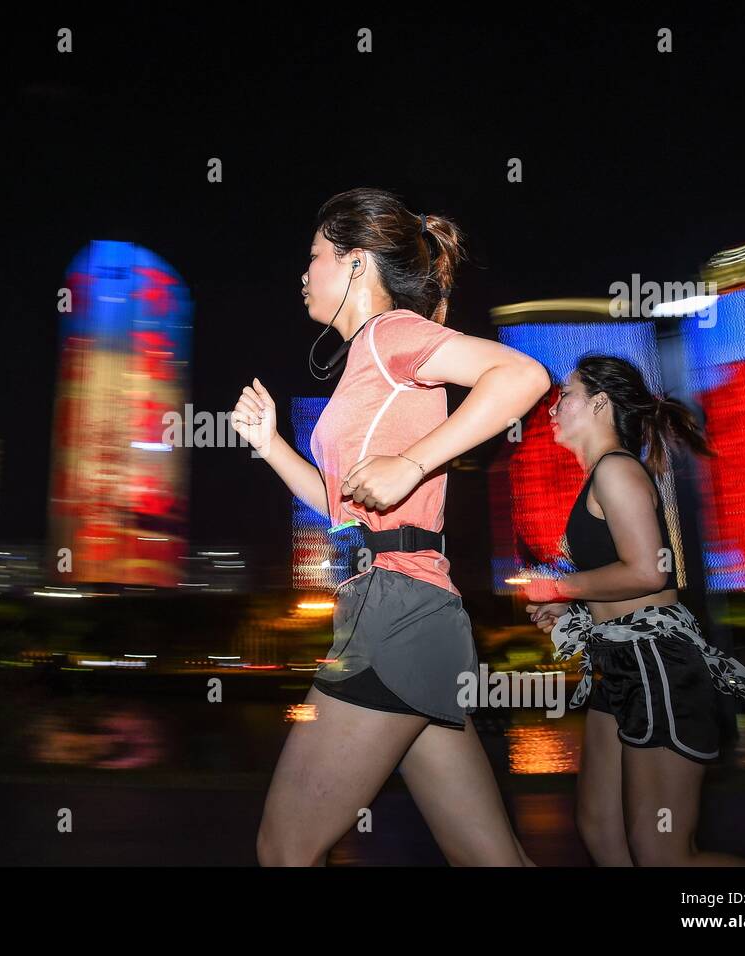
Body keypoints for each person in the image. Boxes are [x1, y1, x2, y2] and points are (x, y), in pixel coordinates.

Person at [232, 187, 551, 866]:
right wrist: (270, 445)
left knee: (285, 851)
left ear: (354, 264)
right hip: (407, 612)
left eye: (315, 255)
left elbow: (520, 375)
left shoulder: (389, 335)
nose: (303, 271)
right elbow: (343, 504)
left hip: (394, 612)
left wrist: (412, 462)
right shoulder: (364, 361)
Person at [525, 355, 745, 866]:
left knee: (663, 853)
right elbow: (624, 587)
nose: (554, 408)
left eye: (566, 395)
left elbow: (648, 572)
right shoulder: (599, 476)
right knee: (599, 828)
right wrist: (572, 614)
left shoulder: (616, 469)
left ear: (600, 403)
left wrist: (560, 588)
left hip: (656, 666)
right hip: (617, 664)